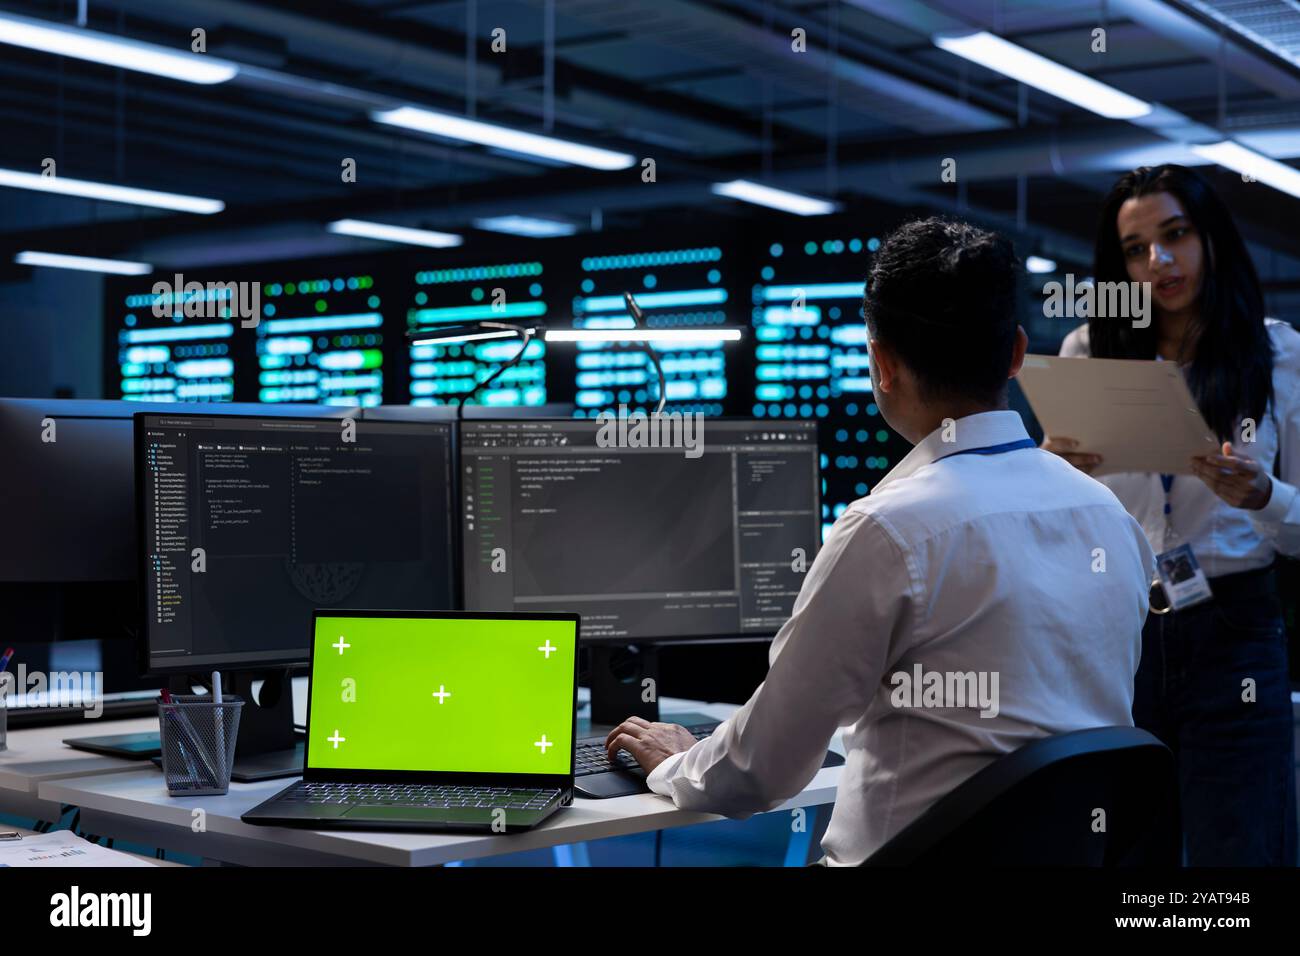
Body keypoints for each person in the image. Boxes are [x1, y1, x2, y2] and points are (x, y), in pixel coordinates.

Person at [605, 217, 1155, 865]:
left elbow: (757, 772)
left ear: (883, 365)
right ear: (1015, 354)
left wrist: (678, 762)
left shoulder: (889, 531)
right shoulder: (1109, 517)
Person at [1047, 163, 1299, 866]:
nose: (1158, 262)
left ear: (1209, 239)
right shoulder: (1089, 354)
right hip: (1119, 630)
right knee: (1128, 852)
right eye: (1135, 249)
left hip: (1235, 630)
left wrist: (1263, 496)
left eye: (1176, 236)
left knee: (1240, 853)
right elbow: (1065, 529)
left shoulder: (1277, 353)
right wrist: (1054, 475)